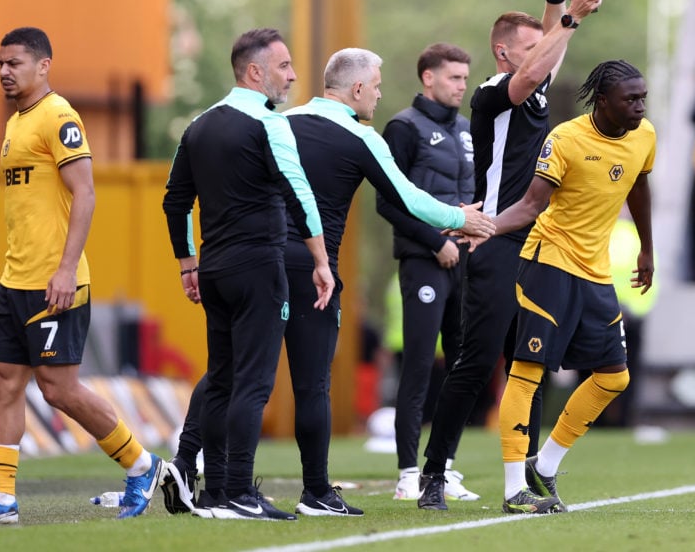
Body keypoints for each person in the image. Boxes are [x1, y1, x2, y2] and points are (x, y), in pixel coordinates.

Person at [158, 48, 495, 518]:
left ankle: (189, 461)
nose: (379, 94)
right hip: (312, 267)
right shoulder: (360, 135)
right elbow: (407, 197)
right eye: (375, 86)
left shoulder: (279, 120)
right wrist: (463, 217)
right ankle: (313, 490)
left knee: (228, 372)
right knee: (310, 384)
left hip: (259, 258)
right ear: (356, 89)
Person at [0, 27, 163, 525]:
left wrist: (65, 269)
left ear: (43, 66)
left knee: (59, 389)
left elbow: (85, 193)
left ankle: (141, 465)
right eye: (0, 63)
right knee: (3, 381)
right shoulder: (16, 123)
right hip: (14, 279)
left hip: (54, 281)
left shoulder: (59, 115)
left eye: (14, 63)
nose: (3, 71)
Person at [416, 0, 602, 510]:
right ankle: (433, 473)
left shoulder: (531, 83)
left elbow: (545, 52)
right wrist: (568, 17)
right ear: (503, 54)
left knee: (532, 365)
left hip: (536, 247)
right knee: (475, 364)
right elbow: (529, 72)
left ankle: (521, 482)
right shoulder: (495, 91)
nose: (542, 50)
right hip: (496, 244)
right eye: (530, 46)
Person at [462, 59, 655, 515]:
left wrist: (648, 250)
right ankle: (513, 491)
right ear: (603, 102)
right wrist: (485, 225)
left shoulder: (644, 135)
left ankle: (544, 465)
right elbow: (531, 204)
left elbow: (638, 186)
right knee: (528, 371)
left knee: (614, 376)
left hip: (594, 270)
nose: (640, 107)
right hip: (547, 262)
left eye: (642, 97)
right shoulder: (566, 139)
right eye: (631, 99)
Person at [162, 28, 333, 522]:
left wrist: (187, 262)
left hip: (214, 269)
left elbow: (174, 201)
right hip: (259, 267)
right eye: (284, 66)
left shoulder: (197, 125)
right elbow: (299, 194)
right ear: (254, 72)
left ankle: (216, 491)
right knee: (253, 384)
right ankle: (238, 489)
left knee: (222, 380)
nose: (293, 75)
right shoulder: (268, 122)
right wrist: (321, 263)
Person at [376, 41, 479, 502]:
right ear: (429, 78)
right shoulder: (403, 127)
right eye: (454, 77)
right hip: (424, 260)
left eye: (464, 77)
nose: (462, 85)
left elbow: (472, 195)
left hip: (465, 260)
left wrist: (474, 236)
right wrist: (436, 242)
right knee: (418, 366)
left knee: (462, 366)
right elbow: (388, 201)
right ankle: (405, 472)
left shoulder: (465, 130)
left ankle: (443, 470)